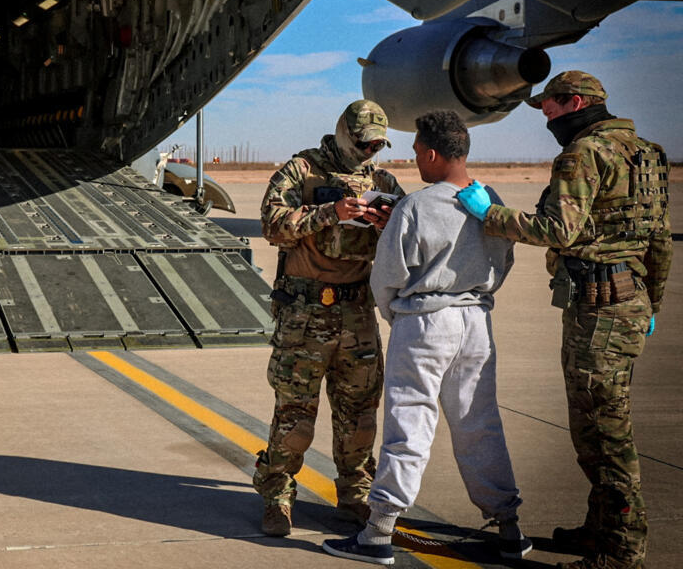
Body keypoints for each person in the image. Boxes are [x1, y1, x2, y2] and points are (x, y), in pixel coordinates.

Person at [457, 71, 672, 569]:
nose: (547, 119)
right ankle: (600, 530)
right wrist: (652, 304)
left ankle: (622, 550)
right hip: (630, 303)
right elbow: (659, 240)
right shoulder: (649, 153)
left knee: (602, 432)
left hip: (598, 311)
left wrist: (489, 213)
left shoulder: (582, 154)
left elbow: (558, 230)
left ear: (574, 102)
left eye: (550, 109)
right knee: (602, 423)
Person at [323, 110, 530, 565]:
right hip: (475, 321)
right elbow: (505, 260)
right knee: (480, 423)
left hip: (425, 322)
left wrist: (400, 317)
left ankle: (378, 533)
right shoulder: (488, 199)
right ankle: (508, 527)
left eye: (417, 152)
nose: (416, 160)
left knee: (409, 427)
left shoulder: (415, 206)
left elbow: (388, 276)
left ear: (433, 154)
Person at [255, 98, 404, 536]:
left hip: (356, 312)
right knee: (295, 414)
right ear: (343, 132)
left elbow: (406, 242)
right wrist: (329, 213)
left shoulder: (383, 180)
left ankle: (355, 497)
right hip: (305, 312)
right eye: (362, 143)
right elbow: (272, 224)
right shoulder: (301, 171)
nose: (369, 152)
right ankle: (278, 495)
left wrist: (386, 223)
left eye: (376, 145)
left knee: (359, 414)